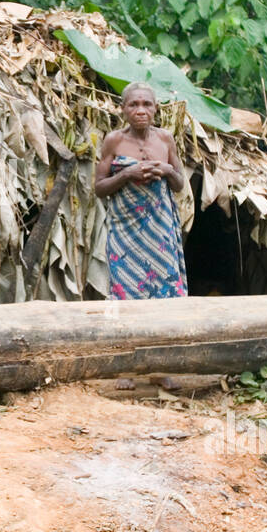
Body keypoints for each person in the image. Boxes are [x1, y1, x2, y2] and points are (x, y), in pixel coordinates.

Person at [94, 82, 189, 389]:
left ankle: (160, 367)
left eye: (147, 104)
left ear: (156, 108)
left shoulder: (165, 139)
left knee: (164, 297)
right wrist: (126, 174)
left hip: (160, 232)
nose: (140, 110)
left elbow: (179, 183)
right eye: (133, 104)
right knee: (125, 297)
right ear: (123, 109)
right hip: (126, 233)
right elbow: (98, 188)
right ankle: (127, 367)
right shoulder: (113, 141)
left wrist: (165, 170)